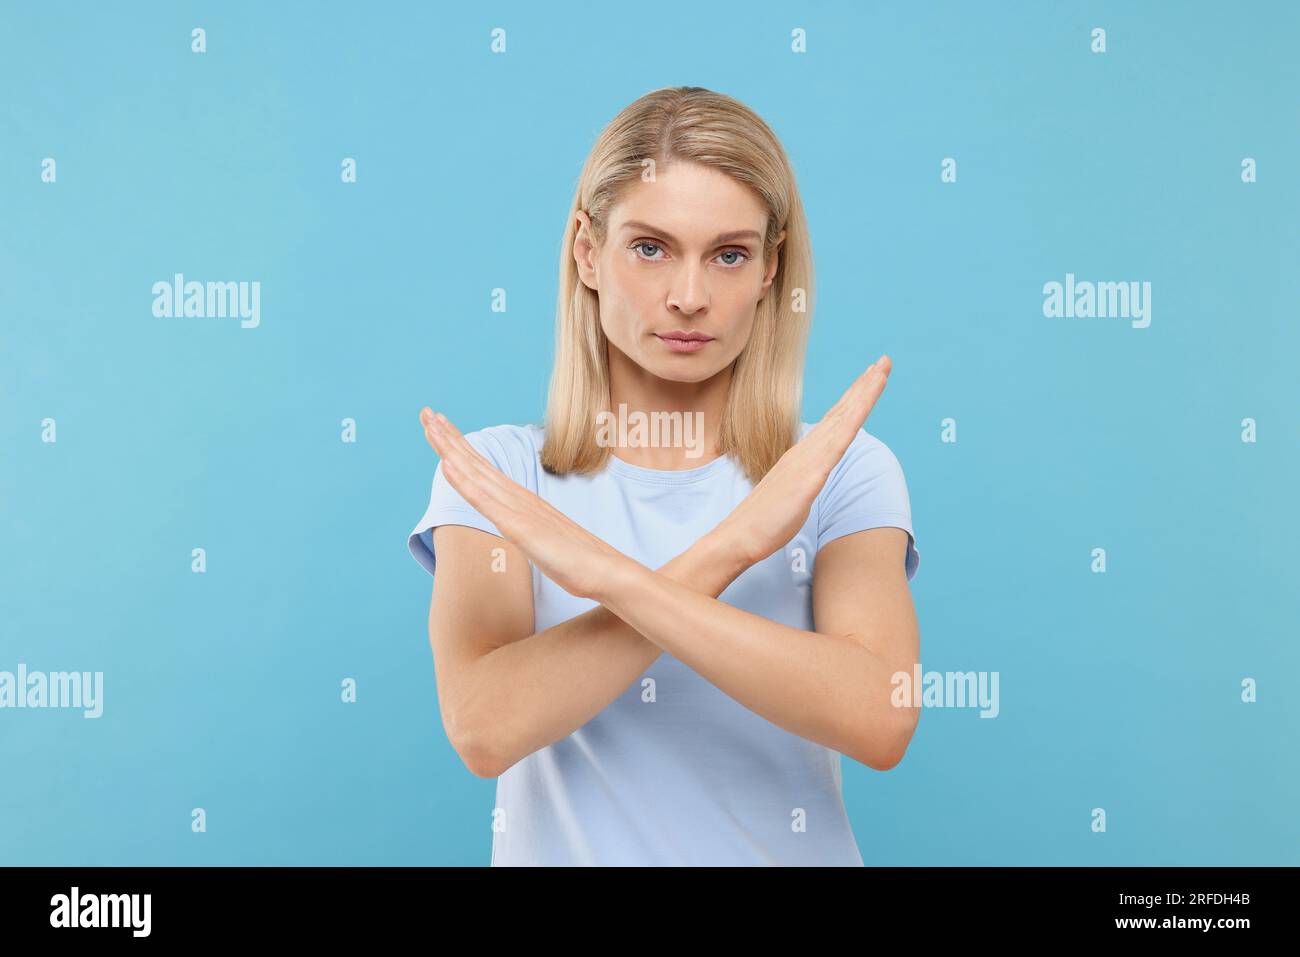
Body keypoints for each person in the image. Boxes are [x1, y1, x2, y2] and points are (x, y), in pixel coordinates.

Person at [407, 86, 921, 866]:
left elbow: (882, 718)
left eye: (729, 254)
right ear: (587, 251)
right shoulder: (502, 475)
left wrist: (610, 576)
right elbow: (484, 727)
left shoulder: (838, 470)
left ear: (769, 269)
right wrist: (732, 547)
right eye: (650, 247)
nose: (689, 296)